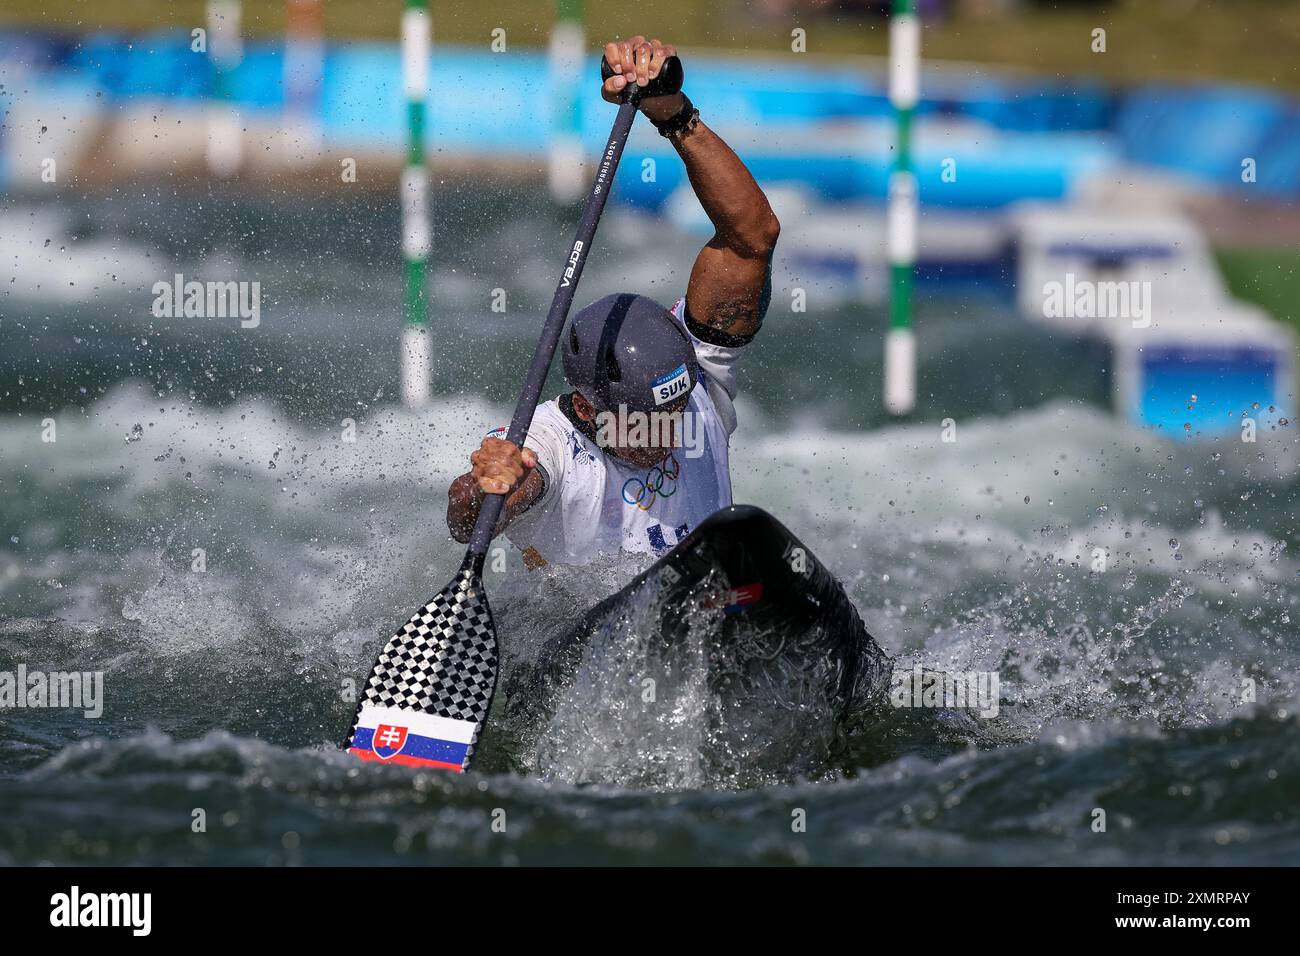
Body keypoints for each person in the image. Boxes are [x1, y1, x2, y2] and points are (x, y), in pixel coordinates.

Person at [448, 36, 779, 567]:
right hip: (570, 640)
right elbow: (466, 518)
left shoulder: (693, 376)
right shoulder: (547, 444)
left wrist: (675, 116)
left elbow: (750, 237)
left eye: (675, 414)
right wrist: (488, 486)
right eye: (647, 422)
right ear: (587, 408)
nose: (669, 434)